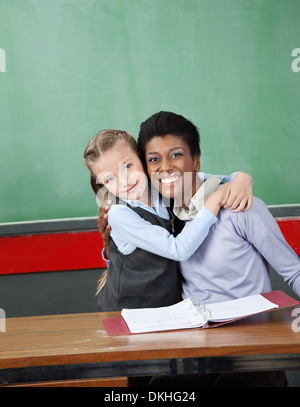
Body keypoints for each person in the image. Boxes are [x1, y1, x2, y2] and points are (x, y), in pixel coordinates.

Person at [99, 111, 300, 386]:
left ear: (196, 160)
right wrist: (110, 248)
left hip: (252, 348)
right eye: (154, 159)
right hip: (197, 346)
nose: (165, 167)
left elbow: (294, 272)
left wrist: (241, 178)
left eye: (176, 155)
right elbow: (140, 262)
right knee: (160, 387)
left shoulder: (240, 208)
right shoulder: (161, 211)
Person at [84, 129, 252, 312]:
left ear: (141, 157)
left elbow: (217, 180)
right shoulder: (119, 214)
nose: (124, 181)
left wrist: (241, 178)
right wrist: (218, 197)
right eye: (109, 179)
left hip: (167, 307)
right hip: (127, 312)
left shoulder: (162, 185)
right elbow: (178, 250)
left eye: (127, 166)